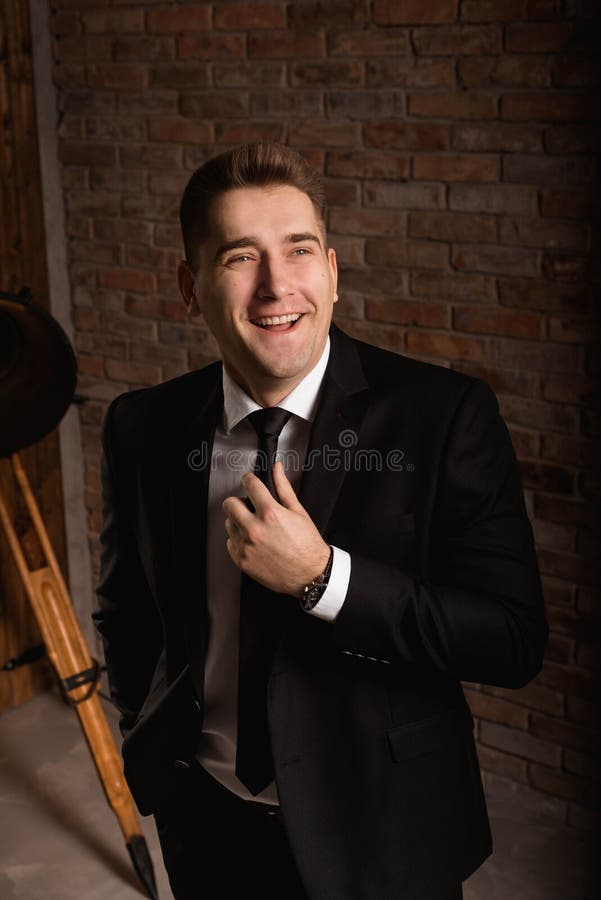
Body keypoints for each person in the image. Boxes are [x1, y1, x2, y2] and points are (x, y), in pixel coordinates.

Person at [94, 142, 547, 900]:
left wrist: (322, 579)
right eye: (240, 257)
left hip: (384, 830)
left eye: (299, 251)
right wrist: (147, 727)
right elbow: (126, 608)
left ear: (331, 273)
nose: (276, 285)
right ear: (189, 284)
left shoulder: (443, 416)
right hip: (206, 825)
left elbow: (509, 639)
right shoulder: (143, 425)